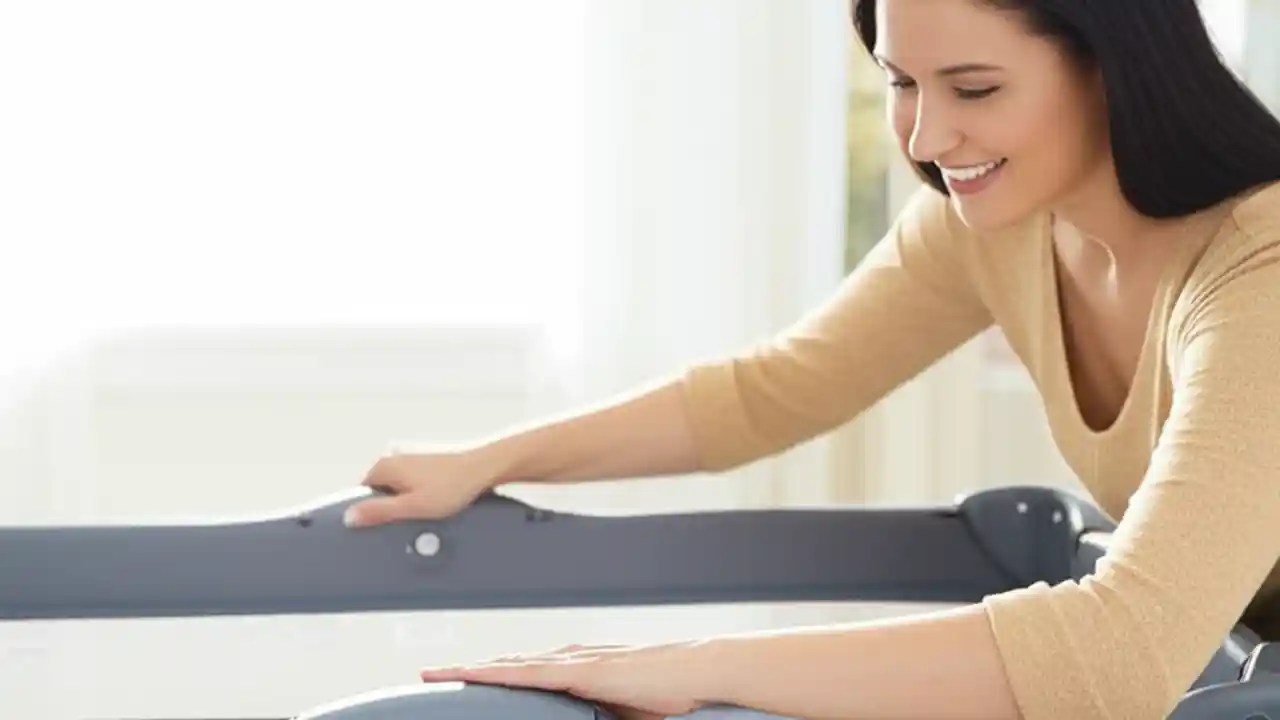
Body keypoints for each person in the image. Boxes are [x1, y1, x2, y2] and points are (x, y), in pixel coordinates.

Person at [342, 1, 1280, 718]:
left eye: (974, 89)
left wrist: (697, 666)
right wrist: (492, 459)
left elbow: (1121, 652)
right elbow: (772, 392)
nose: (922, 138)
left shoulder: (1262, 267)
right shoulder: (996, 223)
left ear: (1115, 64)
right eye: (901, 82)